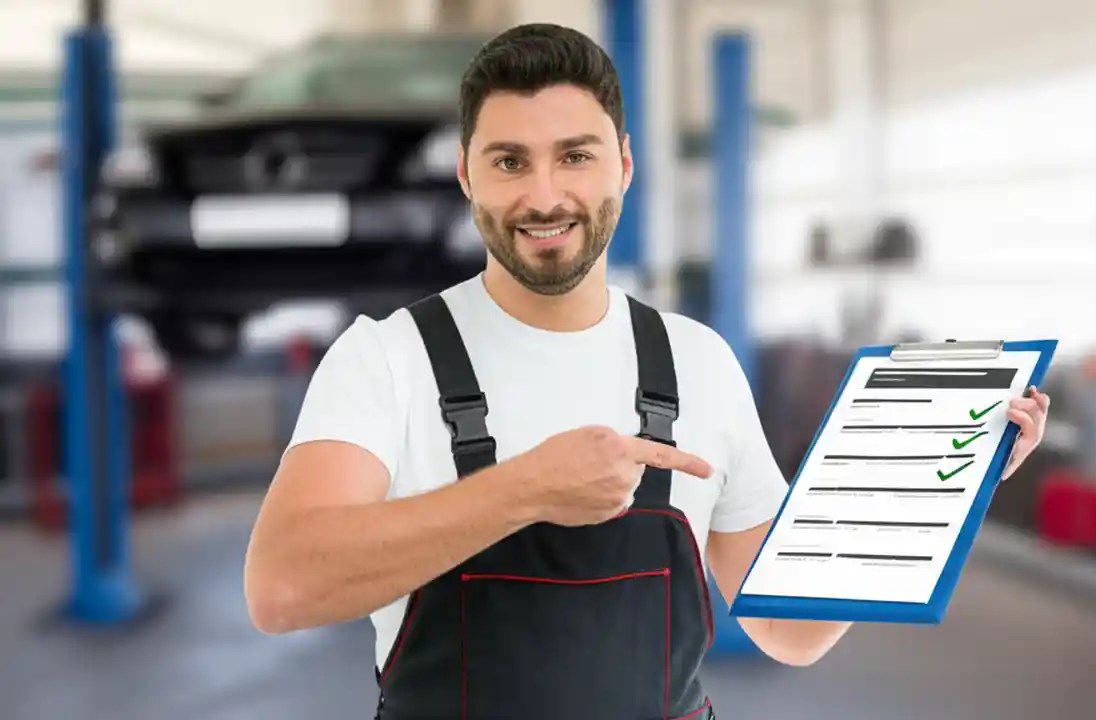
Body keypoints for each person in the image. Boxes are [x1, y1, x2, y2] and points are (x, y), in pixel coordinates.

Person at [243, 23, 1051, 720]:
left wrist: (943, 487)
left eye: (576, 156)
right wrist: (526, 489)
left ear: (624, 165)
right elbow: (280, 588)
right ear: (466, 175)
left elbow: (792, 632)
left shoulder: (697, 363)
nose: (546, 194)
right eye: (510, 161)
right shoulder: (389, 358)